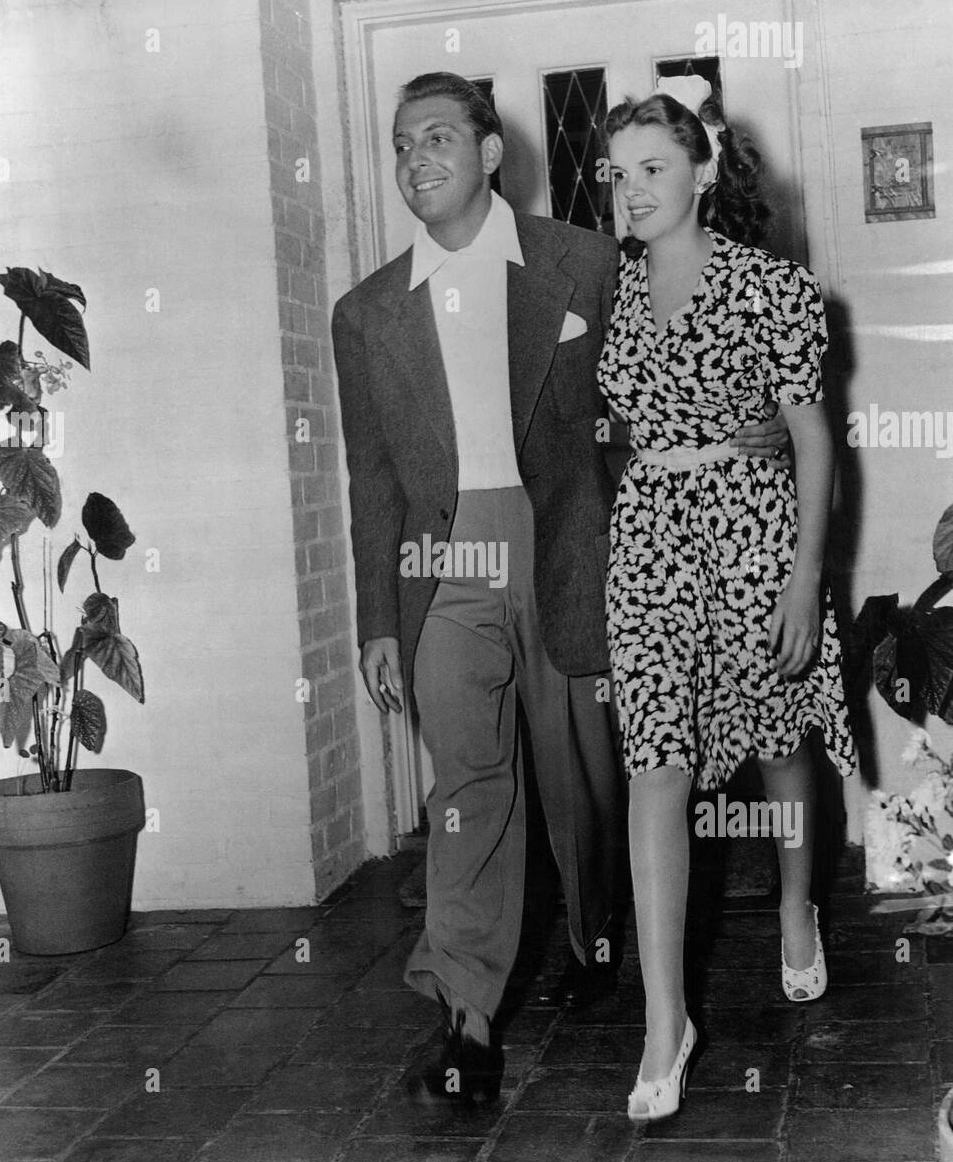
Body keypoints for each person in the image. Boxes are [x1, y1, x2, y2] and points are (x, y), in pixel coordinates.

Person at [331, 71, 788, 1105]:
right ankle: (467, 1011)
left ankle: (595, 934)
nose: (419, 160)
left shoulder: (580, 260)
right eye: (403, 145)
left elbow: (673, 340)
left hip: (575, 543)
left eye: (440, 137)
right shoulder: (364, 315)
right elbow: (370, 480)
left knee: (585, 777)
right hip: (443, 564)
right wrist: (375, 622)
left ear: (493, 153)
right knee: (467, 786)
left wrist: (742, 433)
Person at [597, 75, 856, 1122]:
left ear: (703, 171)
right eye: (619, 175)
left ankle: (797, 904)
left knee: (779, 735)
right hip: (651, 540)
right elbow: (618, 415)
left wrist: (805, 578)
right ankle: (667, 1023)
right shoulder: (614, 288)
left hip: (755, 534)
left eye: (654, 169)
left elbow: (813, 438)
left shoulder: (770, 285)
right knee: (653, 761)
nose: (633, 192)